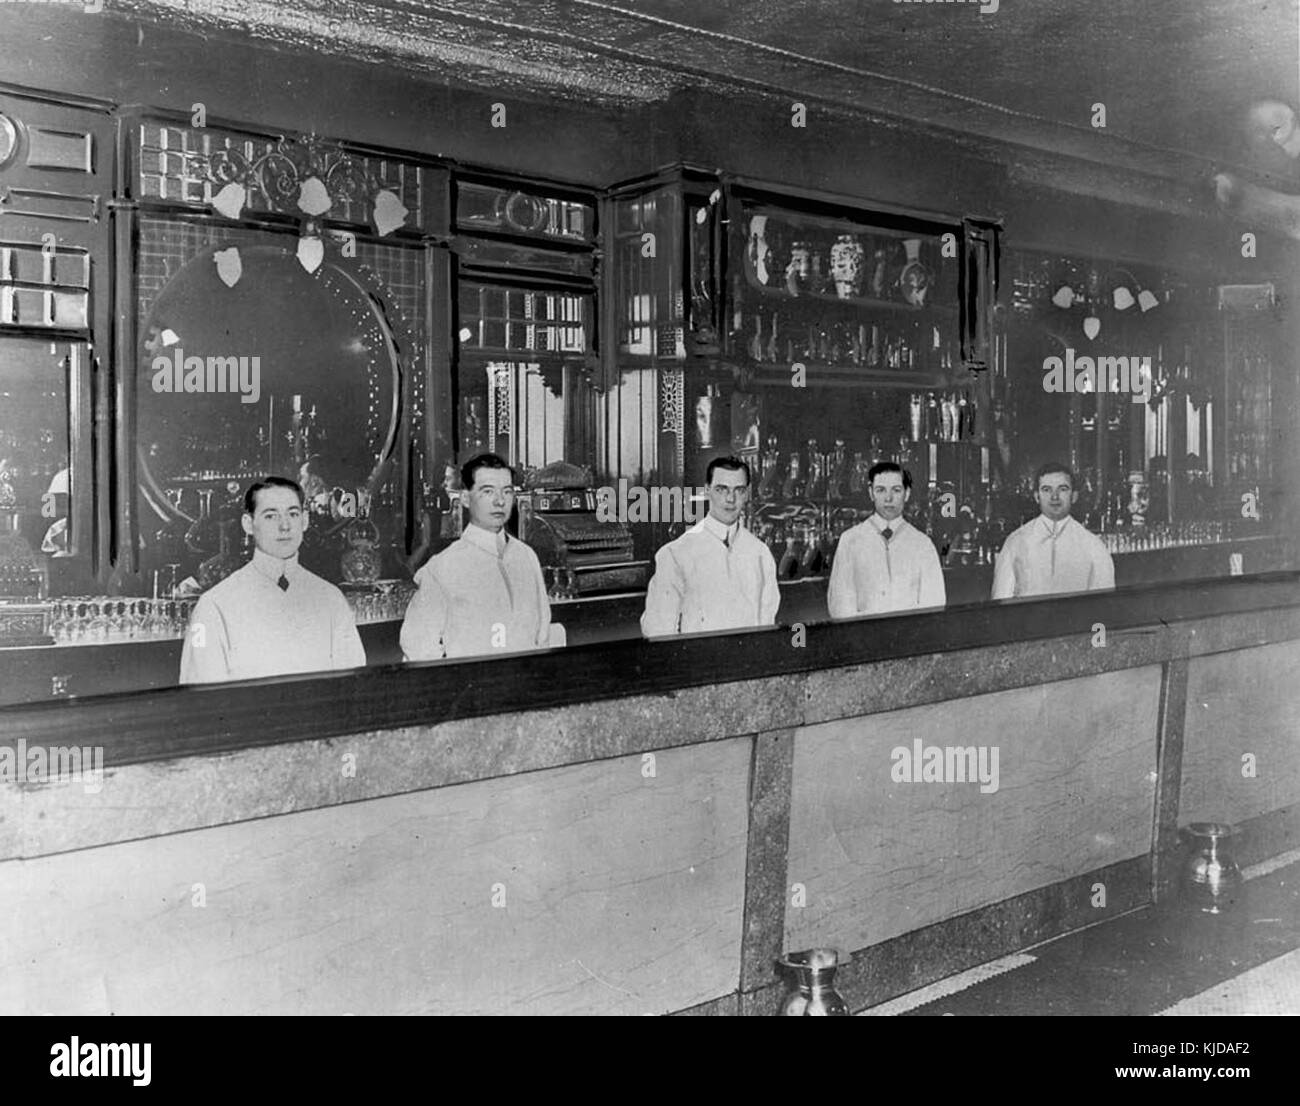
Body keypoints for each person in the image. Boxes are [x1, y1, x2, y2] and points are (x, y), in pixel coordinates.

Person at [179, 476, 366, 683]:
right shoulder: (214, 607)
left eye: (293, 514)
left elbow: (353, 690)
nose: (285, 526)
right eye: (270, 516)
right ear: (248, 524)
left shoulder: (331, 599)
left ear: (304, 521)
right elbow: (201, 703)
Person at [400, 453, 553, 660]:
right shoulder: (443, 567)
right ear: (465, 498)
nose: (500, 501)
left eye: (507, 492)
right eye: (487, 491)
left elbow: (542, 634)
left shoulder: (525, 556)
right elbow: (417, 646)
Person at [640, 456, 779, 637]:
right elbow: (658, 631)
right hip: (698, 662)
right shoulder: (675, 554)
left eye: (739, 490)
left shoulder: (761, 554)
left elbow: (767, 625)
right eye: (721, 489)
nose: (730, 499)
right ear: (707, 490)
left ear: (747, 494)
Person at [827, 462, 945, 618]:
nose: (888, 498)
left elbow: (934, 604)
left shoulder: (922, 544)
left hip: (910, 638)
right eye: (880, 490)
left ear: (907, 493)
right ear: (871, 493)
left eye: (896, 490)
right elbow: (840, 606)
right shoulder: (850, 540)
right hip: (863, 637)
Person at [991, 462, 1115, 599]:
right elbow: (1000, 604)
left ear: (1074, 496)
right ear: (1037, 496)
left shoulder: (1094, 547)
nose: (1054, 497)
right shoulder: (1015, 542)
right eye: (1046, 489)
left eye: (1062, 489)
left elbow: (1103, 611)